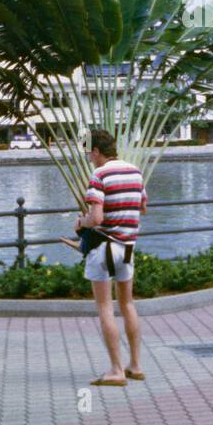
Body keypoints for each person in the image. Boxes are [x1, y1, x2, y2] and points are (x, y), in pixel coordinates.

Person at [76, 129, 145, 387]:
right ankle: (135, 365)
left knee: (105, 307)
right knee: (128, 304)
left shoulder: (99, 174)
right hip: (128, 247)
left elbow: (96, 219)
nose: (88, 157)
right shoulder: (135, 171)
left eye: (88, 152)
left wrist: (80, 223)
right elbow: (143, 207)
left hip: (104, 246)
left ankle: (116, 369)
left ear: (96, 151)